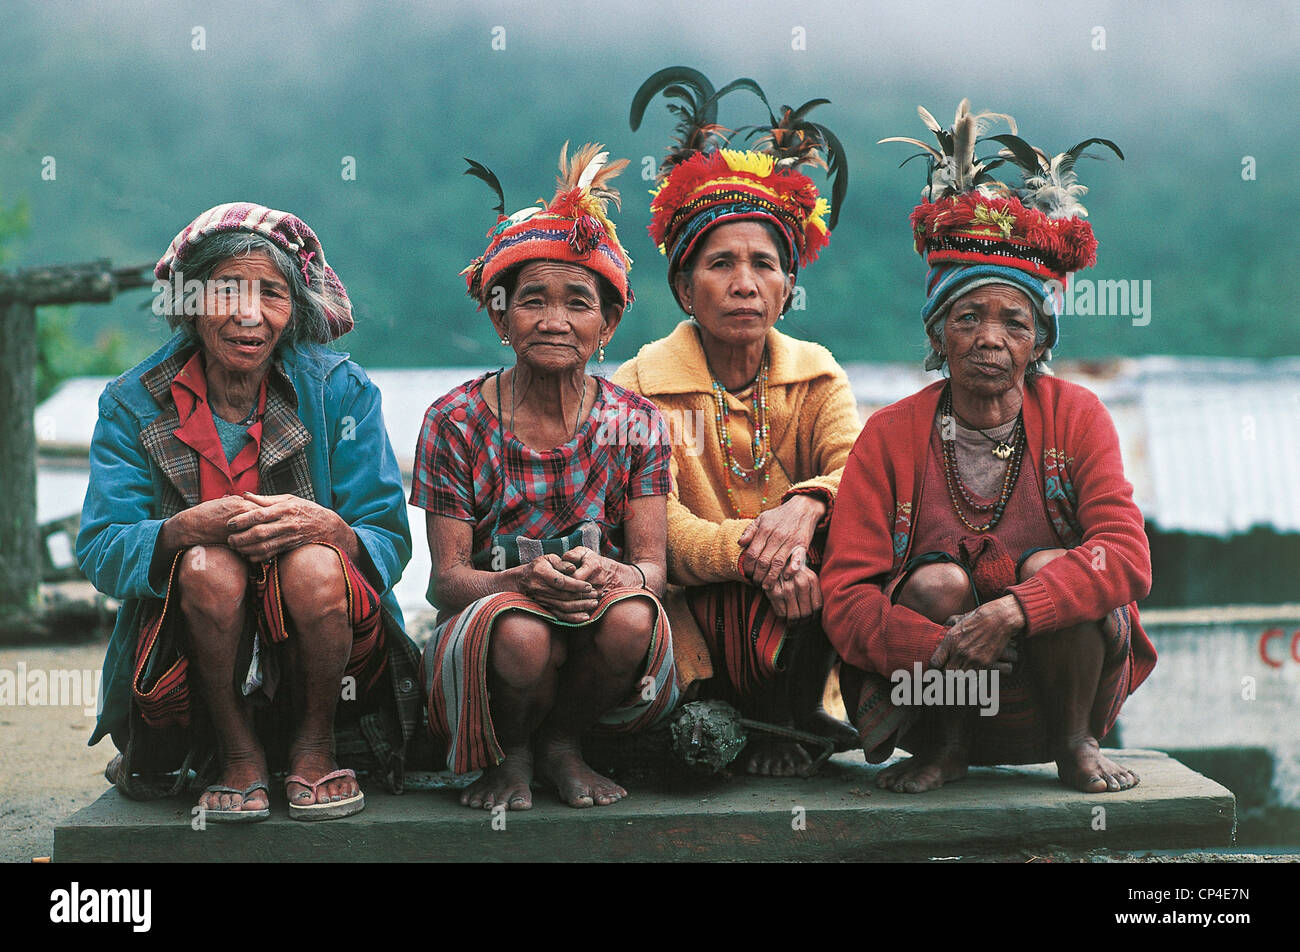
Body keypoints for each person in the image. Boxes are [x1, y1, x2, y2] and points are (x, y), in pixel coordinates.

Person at [821, 101, 1155, 793]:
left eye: (1014, 320)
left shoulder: (1078, 416)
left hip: (1048, 678)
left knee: (1053, 566)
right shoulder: (889, 435)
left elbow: (1125, 555)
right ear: (938, 335)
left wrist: (1014, 611)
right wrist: (936, 645)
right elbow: (845, 593)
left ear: (1040, 342)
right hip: (933, 684)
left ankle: (1076, 745)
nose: (990, 338)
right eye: (967, 317)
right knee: (937, 581)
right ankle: (945, 751)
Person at [77, 203, 419, 822]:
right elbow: (102, 549)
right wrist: (184, 529)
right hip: (188, 654)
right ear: (189, 303)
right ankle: (238, 753)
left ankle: (315, 744)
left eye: (272, 294)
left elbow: (390, 537)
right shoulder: (132, 402)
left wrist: (330, 527)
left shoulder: (340, 389)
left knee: (316, 563)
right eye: (225, 292)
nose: (248, 315)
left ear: (295, 310)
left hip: (331, 642)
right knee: (207, 564)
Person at [411, 143, 679, 811]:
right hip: (492, 630)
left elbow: (653, 569)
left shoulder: (637, 422)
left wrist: (614, 576)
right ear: (501, 317)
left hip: (594, 623)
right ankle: (509, 752)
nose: (556, 320)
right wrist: (516, 583)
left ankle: (563, 744)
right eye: (533, 300)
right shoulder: (454, 420)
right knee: (523, 633)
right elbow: (446, 582)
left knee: (632, 621)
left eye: (579, 303)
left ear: (608, 323)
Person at [615, 68, 861, 776]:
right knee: (747, 592)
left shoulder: (817, 372)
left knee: (852, 552)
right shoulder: (637, 389)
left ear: (789, 285)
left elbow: (859, 473)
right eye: (720, 263)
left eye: (764, 263)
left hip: (799, 579)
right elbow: (656, 529)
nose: (745, 282)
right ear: (685, 288)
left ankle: (797, 714)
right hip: (698, 604)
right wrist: (767, 547)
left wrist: (809, 506)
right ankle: (727, 716)